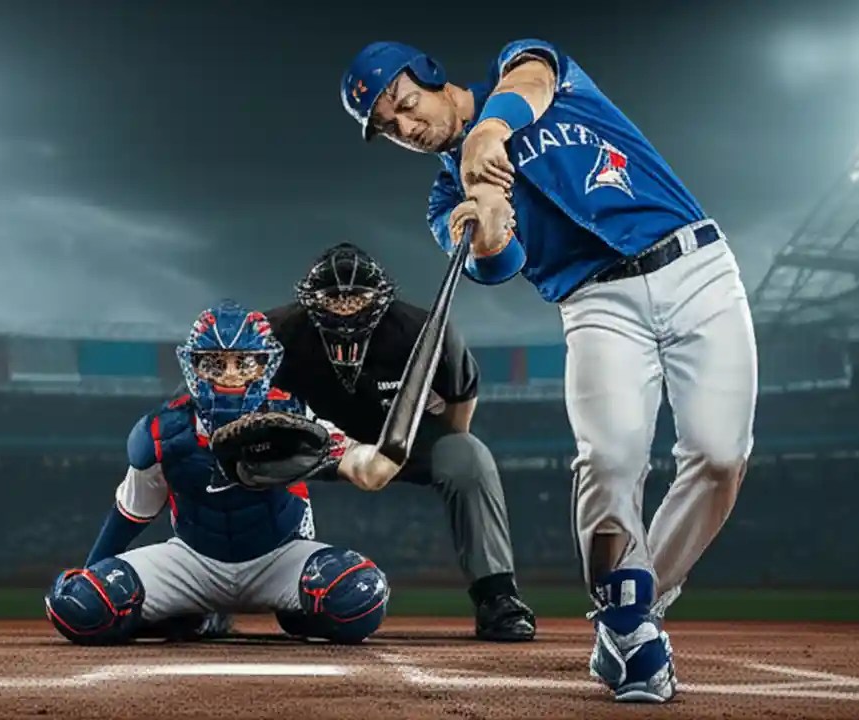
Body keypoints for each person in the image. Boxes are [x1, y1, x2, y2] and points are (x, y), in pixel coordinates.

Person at [339, 39, 758, 702]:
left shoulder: (527, 73)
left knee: (719, 455)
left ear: (430, 76)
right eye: (390, 129)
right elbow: (495, 265)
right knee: (612, 457)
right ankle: (625, 620)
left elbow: (532, 77)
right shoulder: (445, 197)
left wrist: (491, 131)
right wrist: (487, 229)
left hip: (695, 267)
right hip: (595, 302)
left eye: (406, 105)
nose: (406, 128)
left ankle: (637, 604)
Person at [45, 300, 392, 645]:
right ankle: (193, 618)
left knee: (360, 598)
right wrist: (92, 577)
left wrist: (371, 461)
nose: (229, 375)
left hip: (281, 558)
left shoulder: (295, 417)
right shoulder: (163, 433)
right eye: (215, 363)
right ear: (193, 367)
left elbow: (351, 458)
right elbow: (131, 513)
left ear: (264, 366)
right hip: (191, 563)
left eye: (243, 363)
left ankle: (297, 614)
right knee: (79, 608)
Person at [262, 242, 535, 642]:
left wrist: (415, 456)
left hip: (399, 440)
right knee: (235, 456)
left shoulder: (425, 330)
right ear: (309, 300)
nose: (345, 307)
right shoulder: (274, 334)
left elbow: (459, 409)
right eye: (334, 298)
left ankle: (497, 596)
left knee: (467, 455)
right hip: (311, 442)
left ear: (381, 298)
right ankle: (214, 593)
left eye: (355, 296)